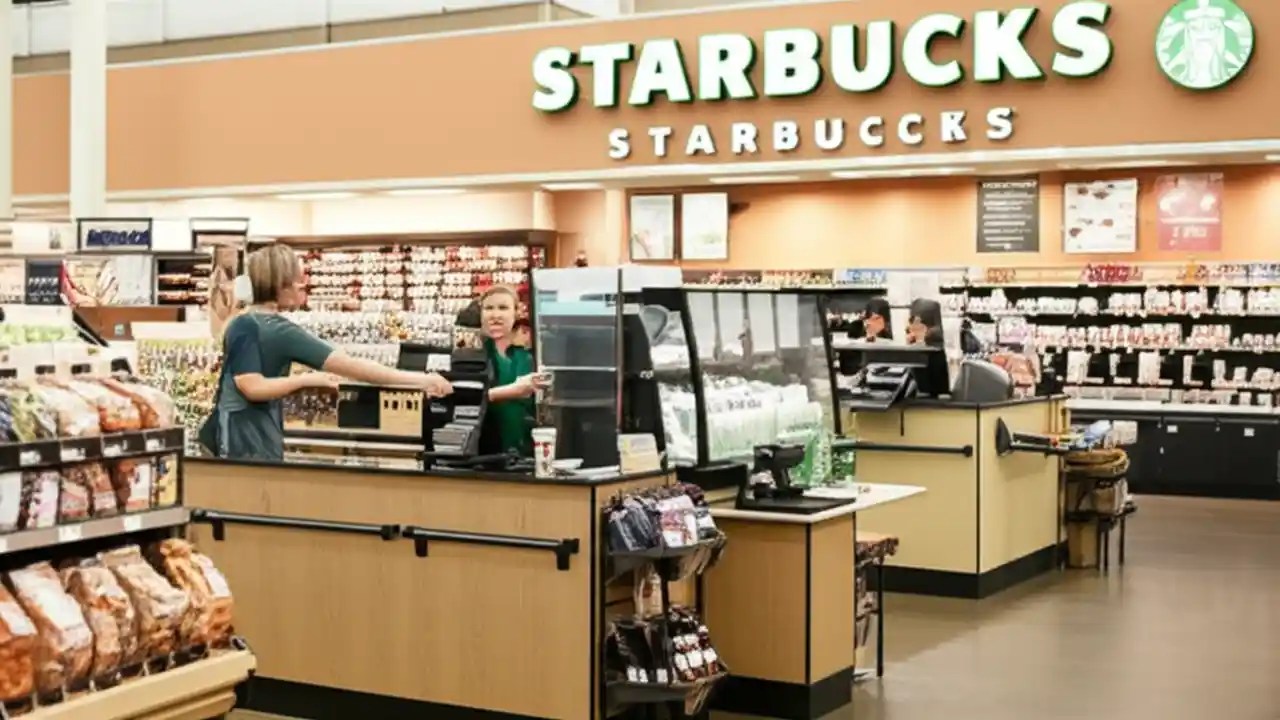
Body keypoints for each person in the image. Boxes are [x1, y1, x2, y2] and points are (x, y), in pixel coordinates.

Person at [205, 245, 453, 461]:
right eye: (296, 279)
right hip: (249, 435)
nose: (302, 285)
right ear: (280, 284)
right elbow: (252, 386)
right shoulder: (269, 328)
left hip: (240, 431)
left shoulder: (244, 321)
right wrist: (420, 379)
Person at [479, 286, 549, 455]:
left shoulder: (527, 354)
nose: (495, 315)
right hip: (486, 453)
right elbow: (464, 399)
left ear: (516, 312)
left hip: (527, 450)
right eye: (489, 308)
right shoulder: (471, 352)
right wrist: (512, 391)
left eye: (503, 308)